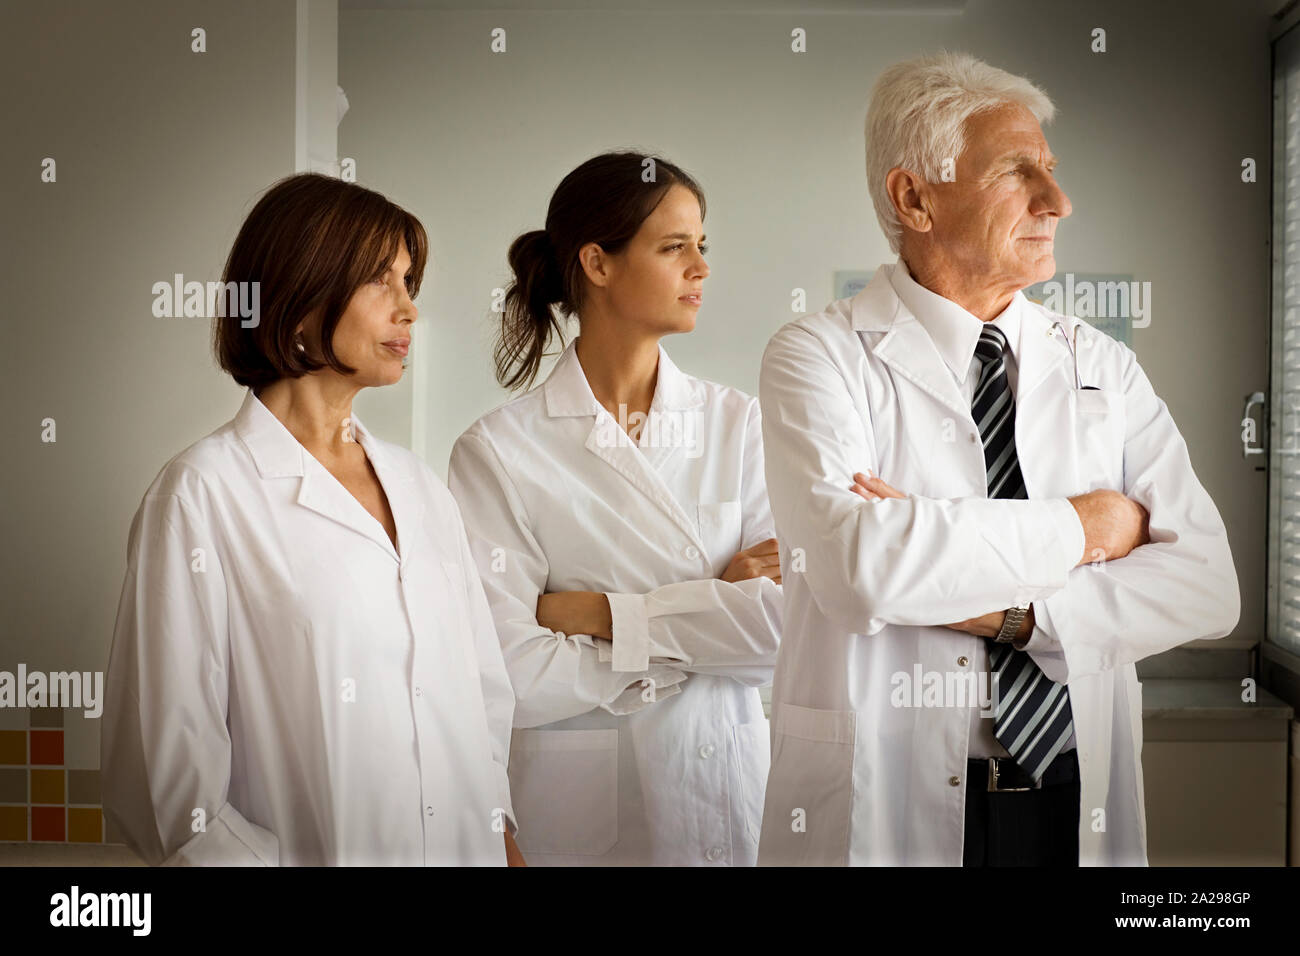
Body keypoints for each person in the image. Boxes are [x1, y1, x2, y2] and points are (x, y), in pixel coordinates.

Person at [756, 52, 1239, 867]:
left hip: (1070, 793)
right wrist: (1089, 527)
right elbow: (857, 567)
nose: (1058, 201)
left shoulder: (1100, 362)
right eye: (1019, 172)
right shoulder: (817, 355)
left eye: (1049, 170)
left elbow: (1206, 585)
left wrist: (1016, 618)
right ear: (914, 197)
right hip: (890, 801)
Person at [102, 173, 523, 866]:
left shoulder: (422, 489)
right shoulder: (201, 496)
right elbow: (167, 790)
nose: (409, 309)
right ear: (299, 298)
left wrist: (501, 838)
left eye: (410, 281)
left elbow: (480, 699)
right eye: (380, 282)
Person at [447, 152, 782, 866]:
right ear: (596, 264)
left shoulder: (739, 425)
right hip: (587, 819)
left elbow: (786, 629)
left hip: (729, 795)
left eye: (702, 245)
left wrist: (598, 615)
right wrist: (713, 606)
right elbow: (511, 671)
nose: (701, 268)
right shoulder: (500, 452)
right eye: (673, 247)